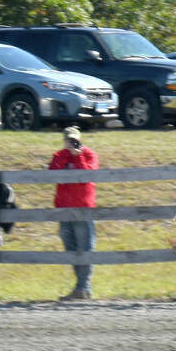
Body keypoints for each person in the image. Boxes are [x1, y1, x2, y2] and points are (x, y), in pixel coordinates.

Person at [50, 126, 98, 301]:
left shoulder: (89, 154)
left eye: (74, 140)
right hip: (64, 209)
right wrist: (66, 155)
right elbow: (52, 173)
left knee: (85, 248)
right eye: (68, 140)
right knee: (70, 247)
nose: (71, 143)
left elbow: (87, 175)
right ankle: (82, 287)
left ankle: (83, 287)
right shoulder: (59, 155)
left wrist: (78, 156)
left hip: (83, 208)